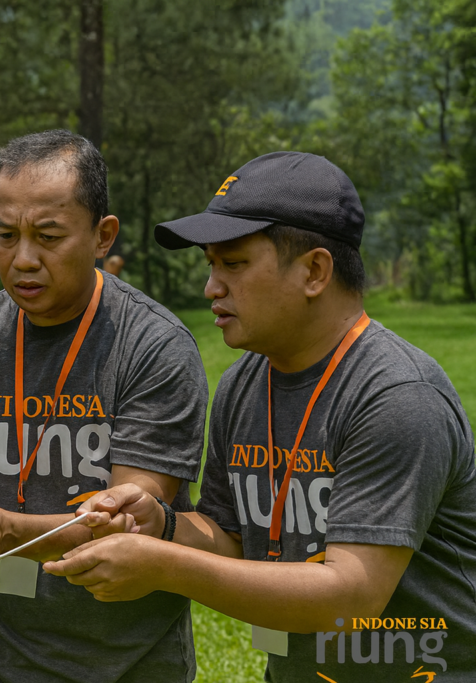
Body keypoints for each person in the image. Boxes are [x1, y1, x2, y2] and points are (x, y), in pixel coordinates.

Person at [45, 151, 476, 682]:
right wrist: (161, 523)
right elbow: (229, 535)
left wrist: (163, 566)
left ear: (315, 271)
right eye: (210, 264)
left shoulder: (395, 396)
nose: (211, 287)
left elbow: (349, 597)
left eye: (234, 263)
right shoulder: (244, 383)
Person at [0, 129, 209, 682]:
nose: (23, 259)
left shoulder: (153, 345)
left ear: (103, 236)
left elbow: (130, 520)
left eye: (49, 236)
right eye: (5, 235)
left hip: (127, 665)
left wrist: (10, 530)